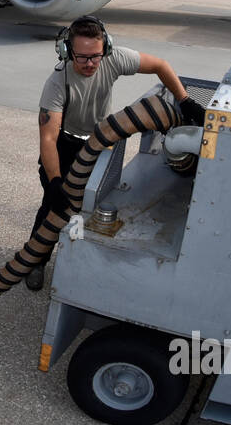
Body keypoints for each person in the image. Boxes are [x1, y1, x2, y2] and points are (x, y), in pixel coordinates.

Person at [27, 15, 206, 289]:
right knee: (54, 206)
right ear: (66, 51)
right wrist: (54, 181)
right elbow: (49, 138)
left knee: (91, 205)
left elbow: (160, 65)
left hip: (99, 144)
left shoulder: (114, 59)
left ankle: (75, 259)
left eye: (95, 56)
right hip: (66, 145)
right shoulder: (57, 81)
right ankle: (36, 262)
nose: (89, 64)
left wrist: (185, 100)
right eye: (82, 57)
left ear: (106, 49)